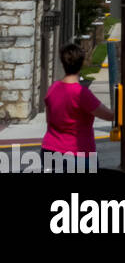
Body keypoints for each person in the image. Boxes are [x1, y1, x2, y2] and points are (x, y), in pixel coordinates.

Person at [41, 41, 113, 171]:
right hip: (78, 153)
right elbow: (109, 116)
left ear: (63, 63)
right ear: (81, 64)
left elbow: (49, 120)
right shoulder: (81, 93)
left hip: (50, 149)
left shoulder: (53, 89)